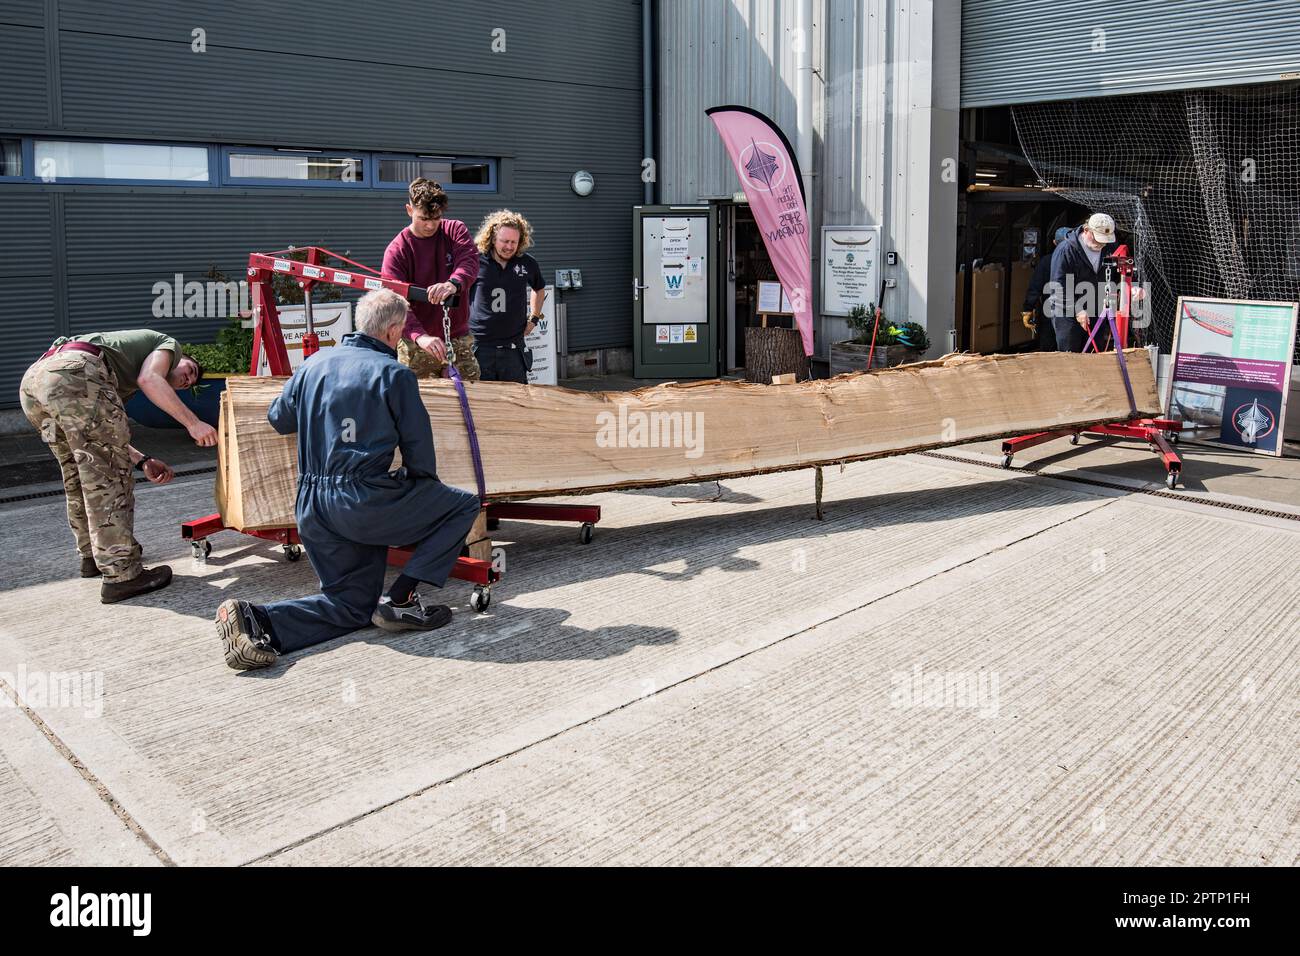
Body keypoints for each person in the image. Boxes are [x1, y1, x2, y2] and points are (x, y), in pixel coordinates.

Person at [214, 289, 481, 672]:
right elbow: (419, 448)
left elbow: (279, 420)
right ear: (392, 331)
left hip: (312, 505)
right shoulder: (395, 374)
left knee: (352, 606)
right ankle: (401, 599)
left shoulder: (312, 365)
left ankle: (257, 620)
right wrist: (417, 490)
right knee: (463, 505)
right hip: (364, 500)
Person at [18, 330, 211, 603]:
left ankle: (92, 556)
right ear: (179, 357)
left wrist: (142, 461)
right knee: (109, 480)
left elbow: (102, 443)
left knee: (79, 472)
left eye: (189, 384)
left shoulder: (120, 379)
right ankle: (122, 574)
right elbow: (150, 378)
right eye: (190, 370)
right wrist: (194, 423)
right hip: (74, 372)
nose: (188, 379)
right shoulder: (168, 345)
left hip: (36, 384)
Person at [381, 177, 481, 380]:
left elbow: (469, 261)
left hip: (457, 339)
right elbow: (395, 302)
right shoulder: (397, 250)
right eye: (423, 218)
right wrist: (420, 336)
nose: (430, 225)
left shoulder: (454, 230)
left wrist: (453, 283)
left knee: (470, 399)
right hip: (417, 343)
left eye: (436, 218)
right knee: (417, 403)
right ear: (409, 210)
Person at [469, 210, 546, 383]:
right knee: (481, 403)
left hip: (513, 348)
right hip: (479, 347)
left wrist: (534, 318)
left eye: (514, 242)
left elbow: (539, 289)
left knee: (516, 402)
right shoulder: (475, 260)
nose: (509, 247)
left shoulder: (527, 262)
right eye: (504, 241)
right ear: (493, 238)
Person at [1048, 212, 1119, 353]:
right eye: (1098, 239)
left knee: (1094, 355)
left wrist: (1131, 287)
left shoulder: (1109, 248)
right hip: (1066, 312)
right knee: (1070, 356)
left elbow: (1117, 273)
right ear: (1086, 230)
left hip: (1096, 310)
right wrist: (1077, 309)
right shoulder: (1065, 250)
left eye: (1105, 240)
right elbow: (1058, 286)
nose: (1101, 244)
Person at [1021, 226, 1072, 352]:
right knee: (1071, 350)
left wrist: (1028, 309)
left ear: (1054, 242)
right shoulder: (1078, 261)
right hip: (1074, 312)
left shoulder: (1046, 261)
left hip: (1050, 310)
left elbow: (1035, 287)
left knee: (1048, 350)